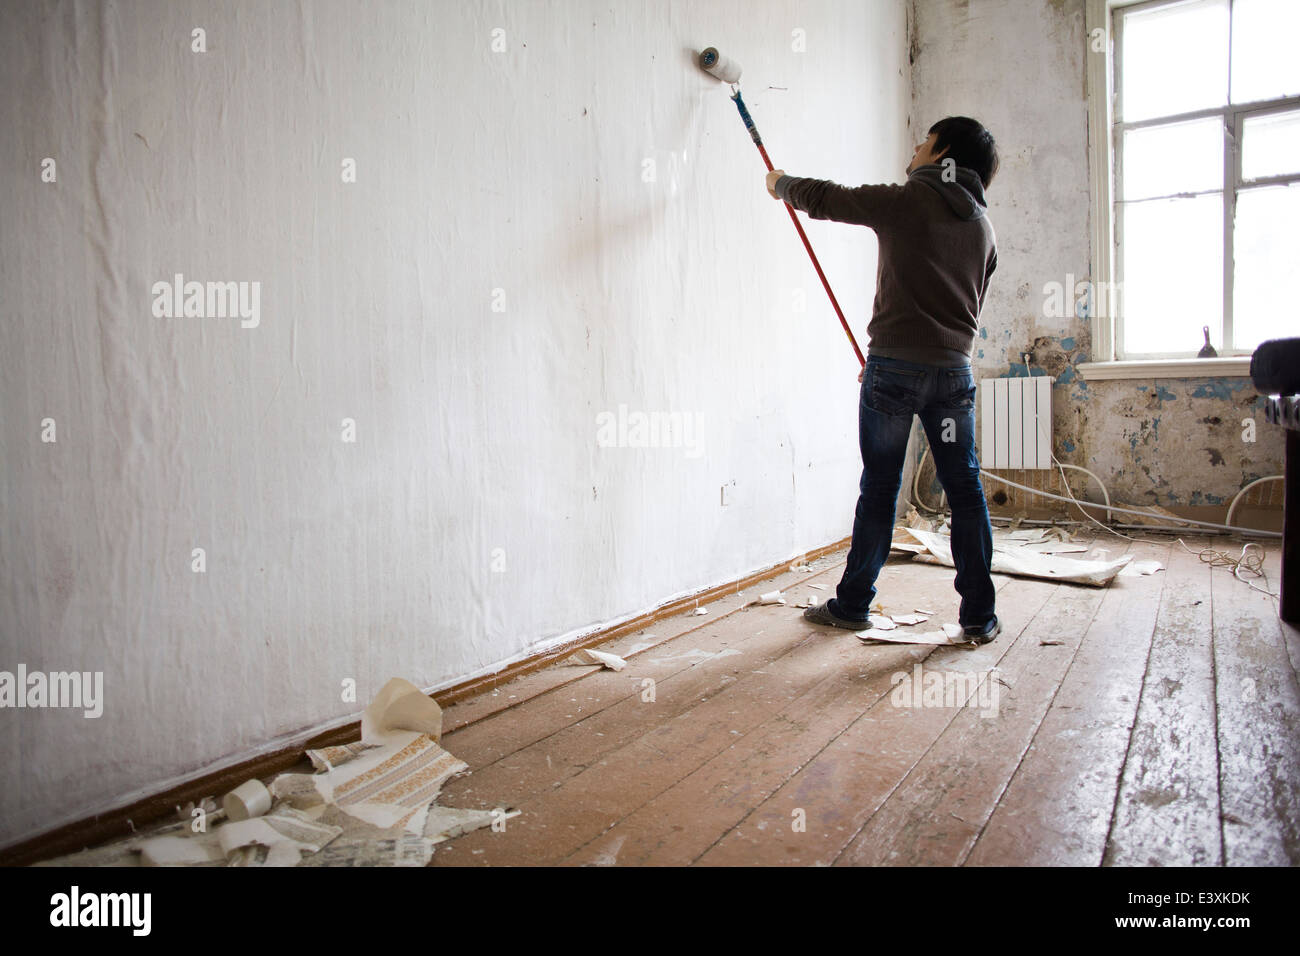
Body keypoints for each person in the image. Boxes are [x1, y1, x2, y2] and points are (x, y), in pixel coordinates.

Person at [766, 116, 1002, 644]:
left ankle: (853, 606)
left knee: (879, 487)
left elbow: (829, 198)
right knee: (965, 489)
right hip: (953, 374)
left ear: (943, 153)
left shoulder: (908, 200)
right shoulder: (984, 229)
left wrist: (781, 184)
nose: (915, 147)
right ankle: (979, 616)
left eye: (925, 140)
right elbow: (969, 310)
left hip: (893, 372)